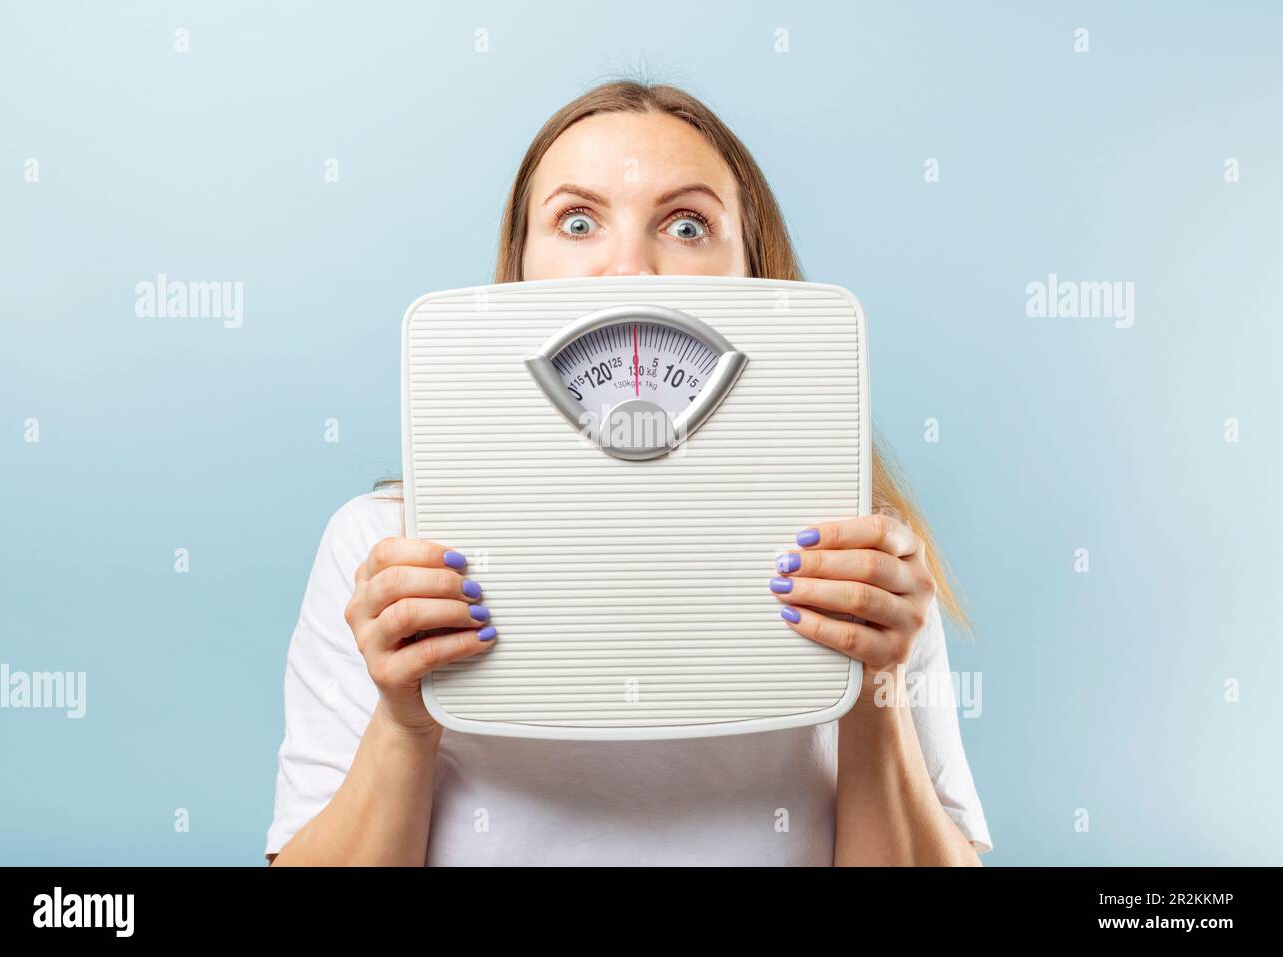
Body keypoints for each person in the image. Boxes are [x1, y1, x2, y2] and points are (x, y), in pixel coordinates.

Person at [265, 80, 993, 865]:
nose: (630, 271)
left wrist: (873, 692)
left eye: (687, 224)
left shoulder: (863, 564)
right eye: (577, 221)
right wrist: (405, 722)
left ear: (758, 274)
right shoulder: (385, 552)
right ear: (517, 273)